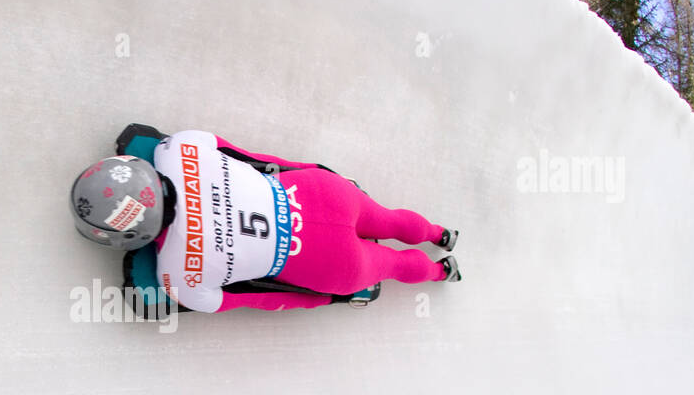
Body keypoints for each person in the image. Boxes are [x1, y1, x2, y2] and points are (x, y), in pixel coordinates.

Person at [69, 127, 459, 313]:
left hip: (328, 264)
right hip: (323, 195)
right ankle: (439, 233)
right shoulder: (181, 148)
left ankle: (441, 272)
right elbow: (247, 157)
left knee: (389, 266)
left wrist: (329, 296)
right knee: (388, 219)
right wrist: (319, 174)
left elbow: (257, 296)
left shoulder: (178, 279)